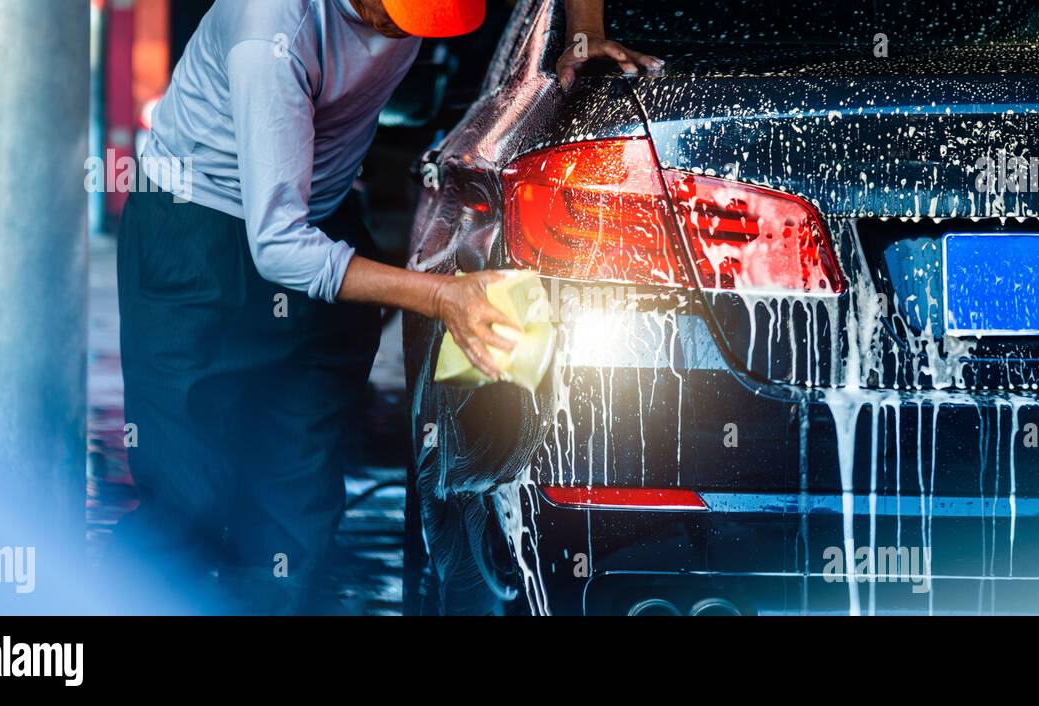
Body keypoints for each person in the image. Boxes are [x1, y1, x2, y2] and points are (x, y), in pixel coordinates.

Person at [113, 0, 659, 614]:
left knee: (297, 499)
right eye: (397, 17)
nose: (403, 34)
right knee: (189, 501)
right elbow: (280, 248)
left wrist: (585, 34)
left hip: (320, 214)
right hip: (198, 236)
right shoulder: (271, 28)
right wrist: (441, 296)